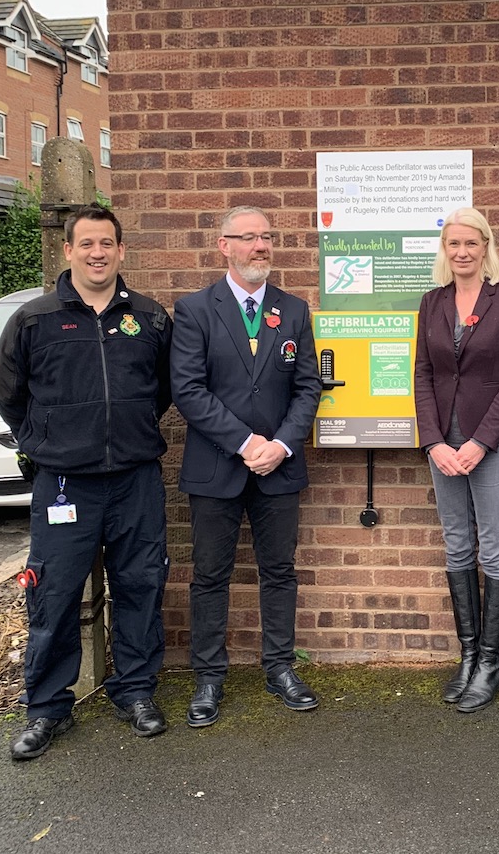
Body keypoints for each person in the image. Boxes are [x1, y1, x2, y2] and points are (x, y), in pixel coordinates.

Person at [0, 203, 173, 760]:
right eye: (86, 244)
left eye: (107, 244)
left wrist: (129, 429)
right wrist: (44, 440)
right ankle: (46, 707)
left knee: (141, 585)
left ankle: (136, 691)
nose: (97, 253)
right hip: (64, 484)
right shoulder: (35, 320)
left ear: (121, 250)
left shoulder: (150, 318)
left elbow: (164, 390)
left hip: (136, 479)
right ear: (67, 251)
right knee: (55, 593)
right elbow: (6, 392)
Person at [170, 206, 322, 727]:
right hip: (216, 467)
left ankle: (280, 667)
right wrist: (244, 442)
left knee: (279, 572)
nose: (261, 246)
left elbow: (307, 387)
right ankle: (209, 677)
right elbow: (187, 389)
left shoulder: (294, 310)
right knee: (210, 575)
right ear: (224, 246)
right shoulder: (194, 309)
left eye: (267, 237)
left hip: (279, 467)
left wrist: (280, 444)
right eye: (250, 238)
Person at [414, 208, 499, 713]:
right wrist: (434, 442)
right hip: (444, 446)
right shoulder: (432, 301)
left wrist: (480, 442)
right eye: (453, 244)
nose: (461, 252)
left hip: (494, 443)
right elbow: (422, 374)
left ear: (486, 247)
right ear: (445, 249)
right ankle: (466, 655)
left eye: (470, 243)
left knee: (494, 549)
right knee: (457, 545)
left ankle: (490, 661)